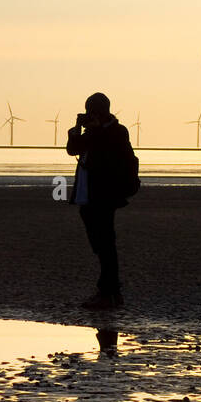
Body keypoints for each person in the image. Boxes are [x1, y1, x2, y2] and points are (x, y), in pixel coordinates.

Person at [66, 92, 136, 309]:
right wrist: (76, 129)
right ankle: (111, 291)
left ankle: (108, 292)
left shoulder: (116, 131)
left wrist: (95, 129)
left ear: (102, 111)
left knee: (106, 243)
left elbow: (111, 154)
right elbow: (72, 149)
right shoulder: (92, 132)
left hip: (105, 194)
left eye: (93, 111)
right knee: (100, 242)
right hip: (88, 195)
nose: (90, 115)